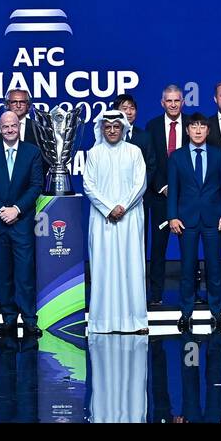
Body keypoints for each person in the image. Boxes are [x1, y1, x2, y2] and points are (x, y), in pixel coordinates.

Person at [0, 111, 45, 337]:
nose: (9, 130)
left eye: (13, 125)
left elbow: (36, 185)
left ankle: (29, 319)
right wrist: (0, 210)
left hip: (22, 222)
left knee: (24, 273)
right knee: (3, 274)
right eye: (5, 126)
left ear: (19, 127)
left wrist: (16, 209)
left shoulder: (32, 152)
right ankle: (8, 320)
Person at [83, 110, 148, 334]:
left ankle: (135, 321)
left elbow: (140, 184)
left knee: (131, 266)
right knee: (103, 267)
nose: (111, 130)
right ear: (102, 129)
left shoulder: (134, 152)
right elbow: (88, 186)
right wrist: (109, 208)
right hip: (103, 221)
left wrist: (122, 206)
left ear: (124, 129)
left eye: (116, 126)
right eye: (107, 127)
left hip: (129, 218)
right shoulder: (94, 153)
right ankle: (102, 323)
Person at [167, 113, 221, 332]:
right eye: (194, 126)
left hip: (214, 219)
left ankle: (217, 312)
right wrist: (172, 216)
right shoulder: (177, 157)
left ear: (208, 131)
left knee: (214, 267)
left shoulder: (218, 155)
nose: (198, 130)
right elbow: (173, 190)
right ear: (187, 130)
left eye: (202, 127)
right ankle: (185, 313)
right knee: (187, 268)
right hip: (186, 219)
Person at [143, 84, 186, 307]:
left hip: (186, 198)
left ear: (183, 102)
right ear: (162, 103)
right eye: (168, 101)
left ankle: (191, 295)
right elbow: (150, 162)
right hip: (160, 197)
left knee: (188, 249)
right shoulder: (152, 126)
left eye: (176, 100)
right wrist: (163, 187)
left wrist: (181, 187)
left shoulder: (192, 125)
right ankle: (156, 295)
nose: (173, 104)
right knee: (158, 249)